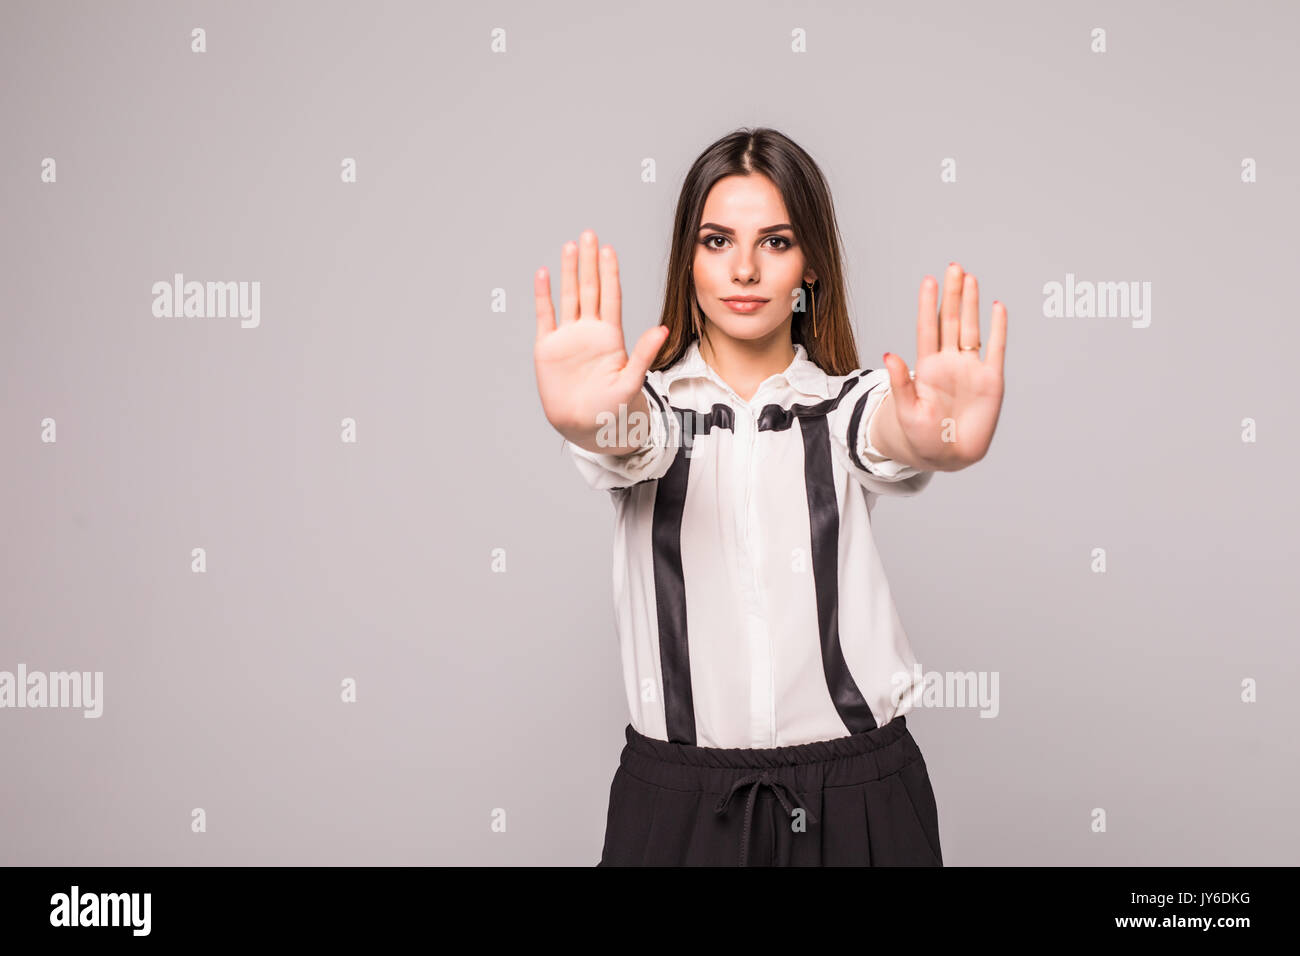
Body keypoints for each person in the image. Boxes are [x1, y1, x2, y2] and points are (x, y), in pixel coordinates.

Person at [532, 127, 1007, 866]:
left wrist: (936, 434)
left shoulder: (845, 406)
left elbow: (886, 432)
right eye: (717, 241)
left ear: (810, 263)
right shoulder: (650, 410)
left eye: (776, 242)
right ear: (688, 259)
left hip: (859, 802)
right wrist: (592, 419)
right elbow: (631, 438)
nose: (745, 268)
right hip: (679, 807)